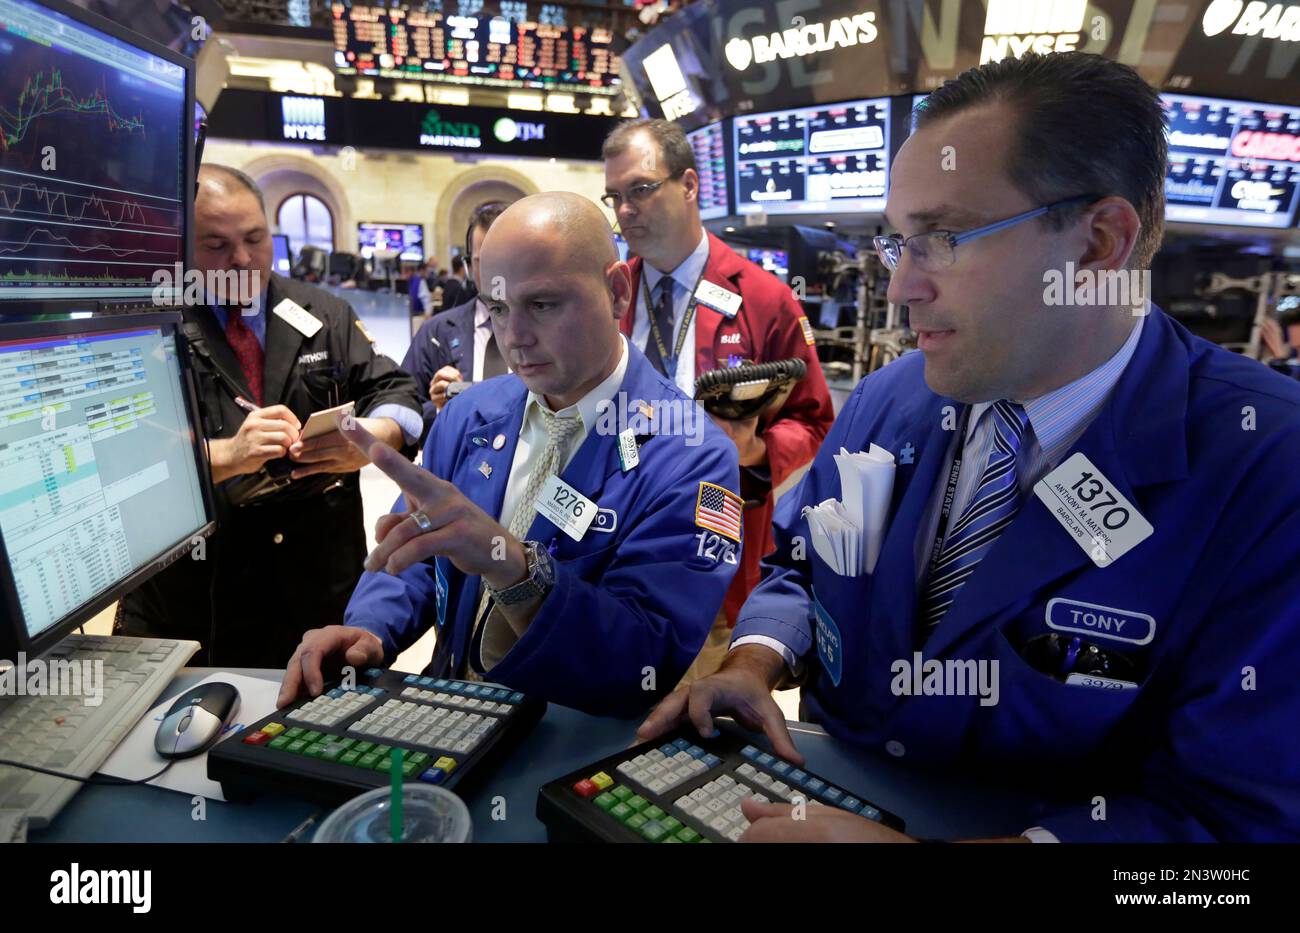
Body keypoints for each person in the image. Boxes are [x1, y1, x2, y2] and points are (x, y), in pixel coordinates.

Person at [640, 53, 1300, 842]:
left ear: (1097, 245)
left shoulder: (1269, 468)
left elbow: (1234, 838)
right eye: (898, 242)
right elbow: (805, 562)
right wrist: (755, 658)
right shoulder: (893, 396)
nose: (900, 287)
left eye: (943, 237)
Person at [278, 192, 743, 716]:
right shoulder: (469, 415)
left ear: (616, 291)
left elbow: (642, 662)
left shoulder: (692, 456)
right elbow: (412, 554)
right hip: (452, 717)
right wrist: (367, 628)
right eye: (497, 308)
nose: (515, 338)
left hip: (567, 747)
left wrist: (518, 572)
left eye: (542, 305)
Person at [116, 164, 425, 668]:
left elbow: (399, 393)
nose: (242, 259)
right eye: (216, 245)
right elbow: (116, 461)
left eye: (255, 239)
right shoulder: (148, 325)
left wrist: (375, 436)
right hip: (196, 606)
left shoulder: (323, 312)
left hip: (321, 592)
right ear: (180, 244)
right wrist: (223, 456)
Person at [603, 118, 834, 684]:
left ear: (687, 185)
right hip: (609, 553)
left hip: (714, 561)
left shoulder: (763, 298)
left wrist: (754, 451)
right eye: (614, 197)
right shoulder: (607, 294)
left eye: (640, 189)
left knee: (693, 738)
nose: (625, 211)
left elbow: (815, 422)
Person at [402, 202, 512, 439]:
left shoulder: (550, 331)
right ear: (469, 265)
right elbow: (402, 411)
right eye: (483, 261)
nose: (495, 272)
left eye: (504, 259)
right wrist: (443, 408)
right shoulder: (435, 332)